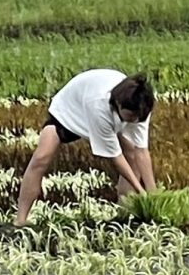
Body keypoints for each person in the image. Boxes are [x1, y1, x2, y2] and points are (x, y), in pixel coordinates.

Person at [14, 69, 155, 226]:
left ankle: (124, 214)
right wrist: (140, 191)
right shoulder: (99, 105)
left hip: (109, 111)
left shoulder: (141, 105)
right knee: (41, 157)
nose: (134, 121)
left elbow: (141, 151)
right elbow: (115, 157)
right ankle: (20, 220)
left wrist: (153, 194)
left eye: (137, 118)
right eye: (130, 117)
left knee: (133, 156)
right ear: (119, 105)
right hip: (71, 110)